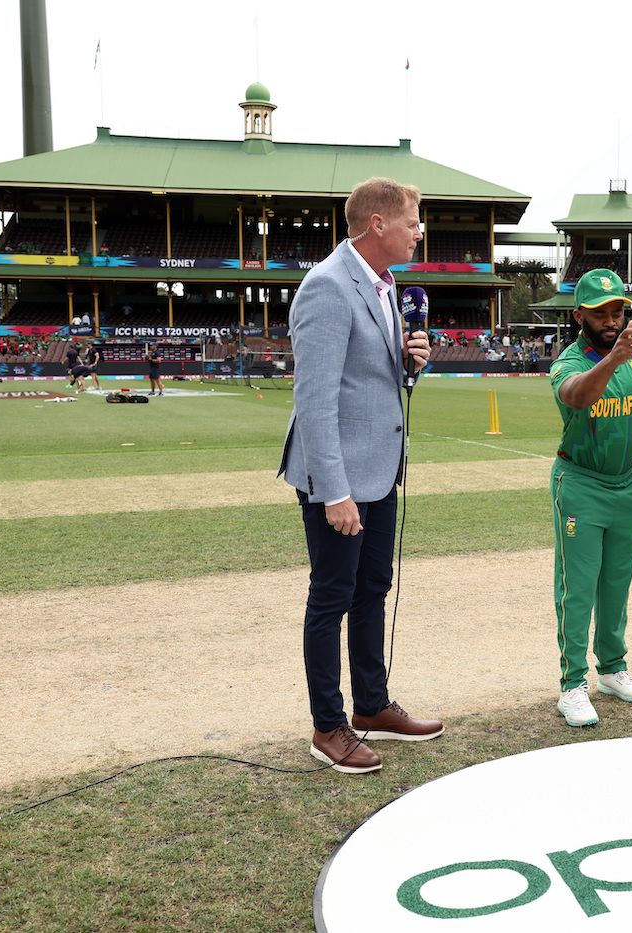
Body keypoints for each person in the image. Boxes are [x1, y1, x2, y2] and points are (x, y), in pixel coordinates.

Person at [277, 176, 441, 775]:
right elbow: (315, 400)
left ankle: (371, 706)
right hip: (339, 478)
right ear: (378, 224)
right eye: (413, 220)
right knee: (332, 598)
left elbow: (371, 380)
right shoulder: (326, 286)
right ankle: (328, 726)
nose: (419, 230)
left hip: (379, 468)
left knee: (373, 591)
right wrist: (334, 491)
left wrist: (408, 362)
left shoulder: (385, 284)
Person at [548, 268, 632, 727]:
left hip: (626, 486)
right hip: (580, 484)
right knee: (577, 589)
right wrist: (614, 361)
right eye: (600, 312)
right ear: (579, 315)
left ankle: (613, 669)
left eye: (617, 310)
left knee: (616, 584)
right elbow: (578, 396)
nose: (611, 319)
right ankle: (572, 684)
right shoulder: (570, 362)